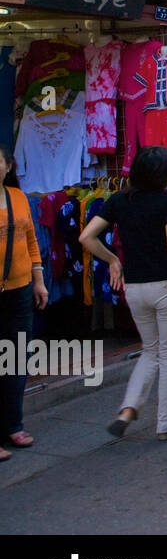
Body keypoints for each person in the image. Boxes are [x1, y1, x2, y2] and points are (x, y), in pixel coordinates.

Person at [81, 146, 167, 441]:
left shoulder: (121, 199)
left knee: (150, 350)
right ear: (164, 175)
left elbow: (87, 236)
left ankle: (128, 409)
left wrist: (112, 260)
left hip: (134, 287)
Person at [0, 144, 49, 462]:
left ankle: (13, 425)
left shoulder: (17, 197)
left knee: (16, 360)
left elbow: (31, 240)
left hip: (19, 291)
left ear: (7, 166)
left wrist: (39, 280)